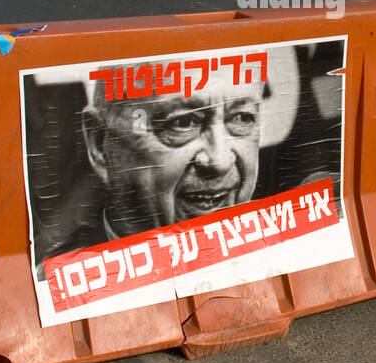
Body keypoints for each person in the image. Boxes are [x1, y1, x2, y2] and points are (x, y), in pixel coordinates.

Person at [81, 61, 263, 240]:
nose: (220, 162)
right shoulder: (61, 266)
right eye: (183, 123)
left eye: (242, 118)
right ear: (100, 145)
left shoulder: (282, 250)